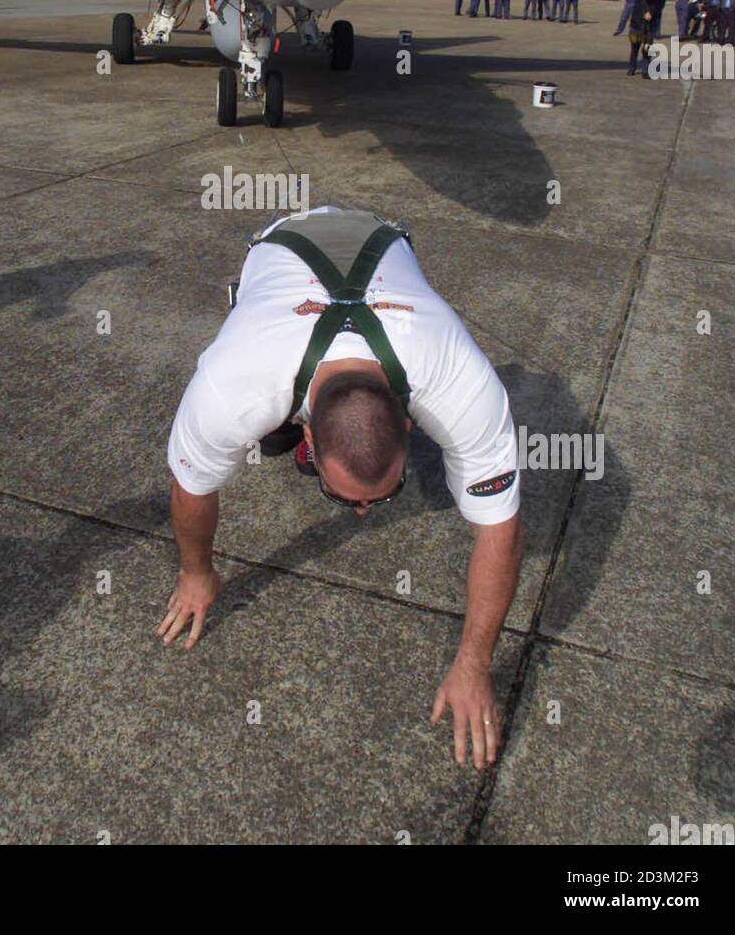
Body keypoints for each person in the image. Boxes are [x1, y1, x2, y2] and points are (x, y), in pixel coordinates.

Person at [163, 205, 522, 770]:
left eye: (384, 493)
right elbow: (190, 486)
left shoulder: (462, 380)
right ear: (309, 425)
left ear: (411, 423)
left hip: (381, 241)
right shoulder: (233, 382)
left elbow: (502, 527)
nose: (360, 515)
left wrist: (474, 667)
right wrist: (196, 571)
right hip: (282, 245)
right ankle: (254, 322)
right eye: (346, 496)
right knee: (262, 438)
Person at [625, 0, 654, 77]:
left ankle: (645, 71)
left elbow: (658, 5)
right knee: (634, 48)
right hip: (636, 25)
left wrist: (651, 13)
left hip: (648, 26)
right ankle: (631, 68)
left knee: (647, 48)